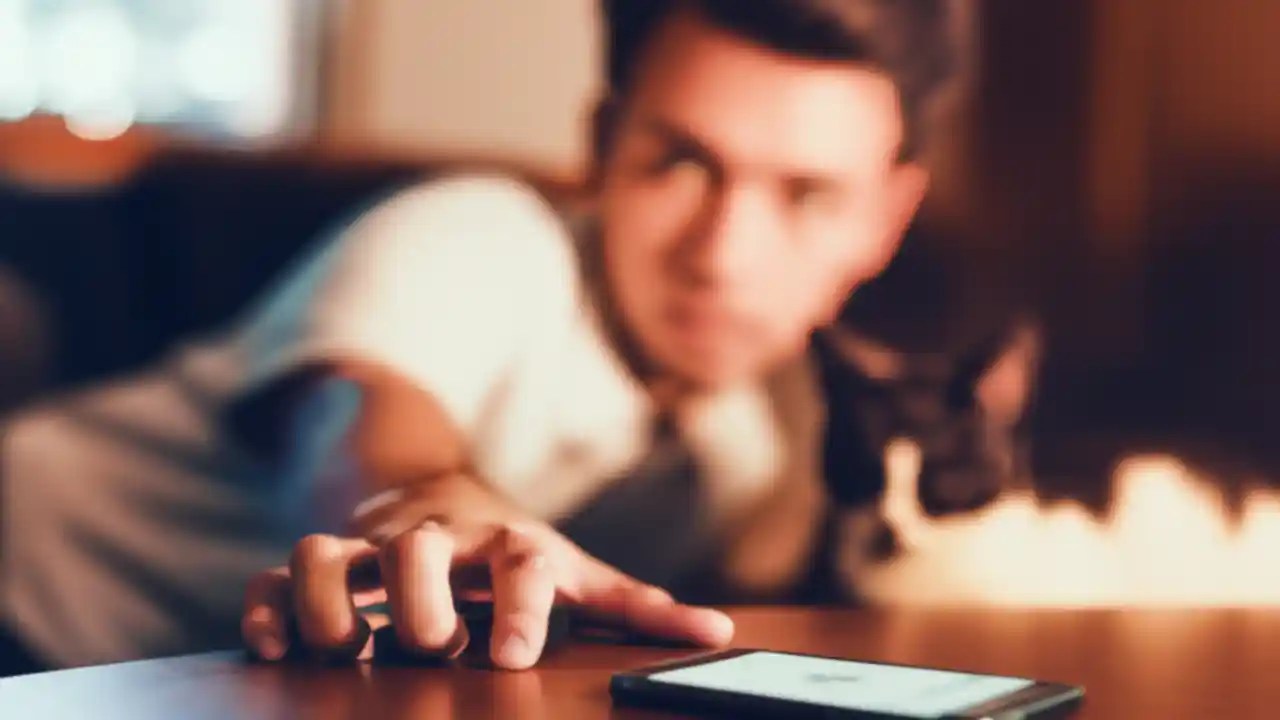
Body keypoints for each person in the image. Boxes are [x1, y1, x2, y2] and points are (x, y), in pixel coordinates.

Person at [1, 0, 953, 672]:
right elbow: (352, 411)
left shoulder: (760, 440)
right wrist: (426, 507)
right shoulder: (482, 237)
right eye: (680, 164)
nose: (724, 256)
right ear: (601, 146)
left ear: (886, 219)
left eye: (806, 196)